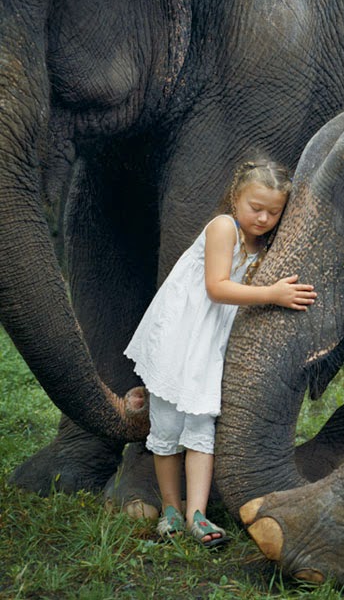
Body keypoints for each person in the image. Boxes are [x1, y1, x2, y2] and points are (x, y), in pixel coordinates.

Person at [124, 158, 316, 546]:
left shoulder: (263, 243)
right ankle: (171, 510)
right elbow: (217, 287)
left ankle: (197, 515)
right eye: (255, 208)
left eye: (273, 212)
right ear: (235, 198)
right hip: (181, 336)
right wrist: (273, 294)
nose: (263, 218)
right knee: (166, 427)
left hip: (209, 344)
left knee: (200, 428)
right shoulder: (223, 227)